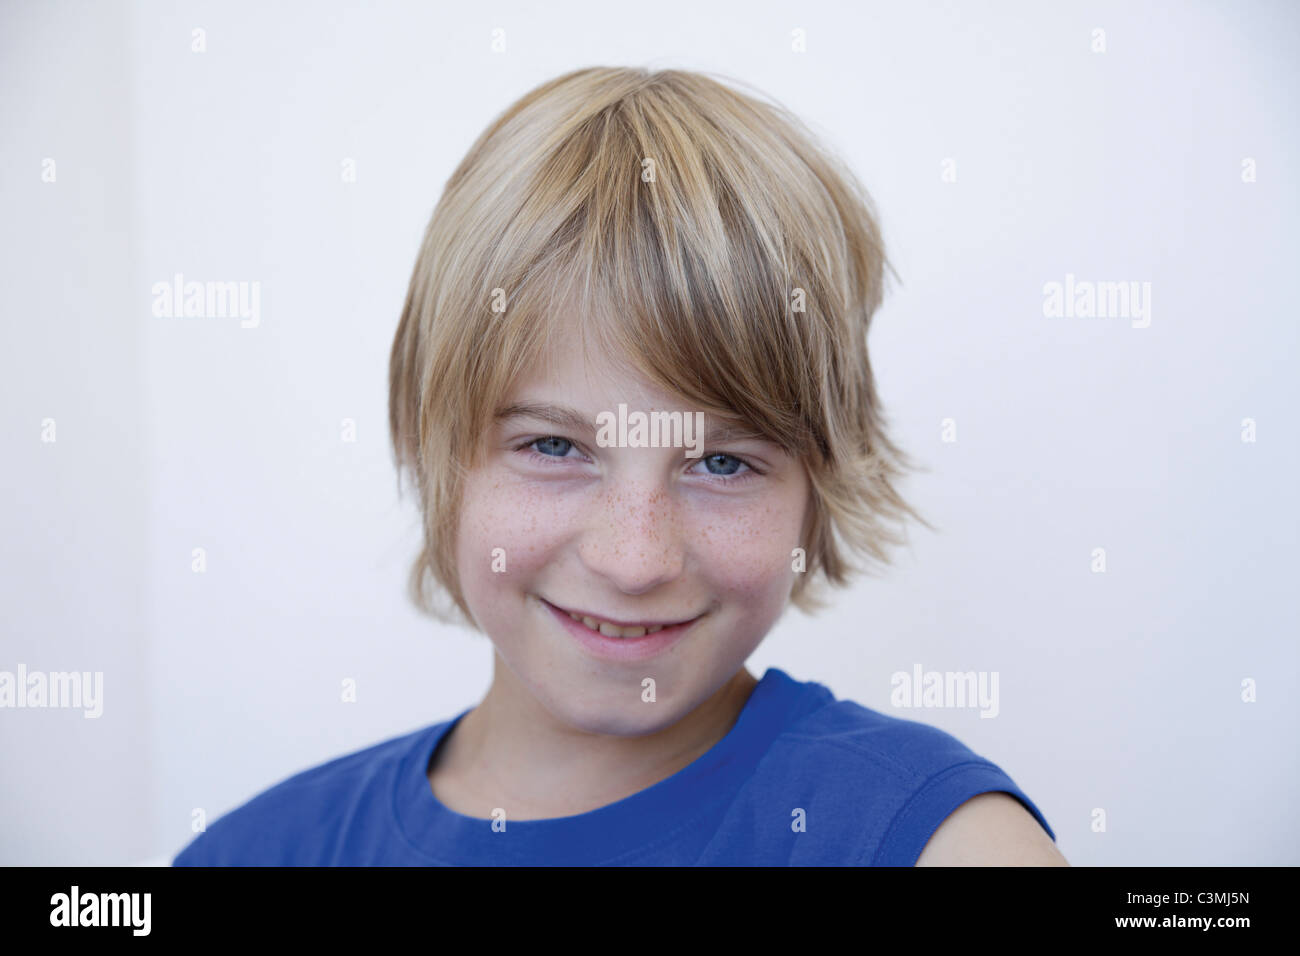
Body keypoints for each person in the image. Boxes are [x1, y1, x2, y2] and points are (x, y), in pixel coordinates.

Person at [174, 66, 1067, 866]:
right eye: (554, 448)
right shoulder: (259, 851)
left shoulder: (929, 842)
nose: (635, 560)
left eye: (721, 462)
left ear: (819, 485)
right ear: (432, 444)